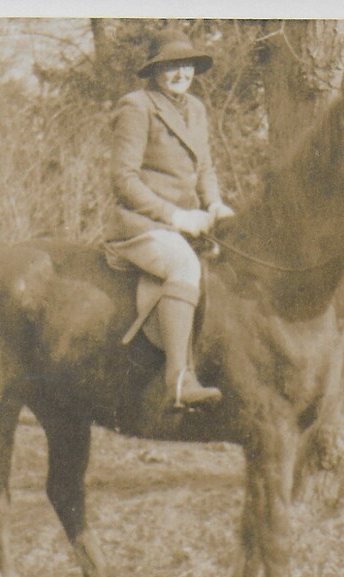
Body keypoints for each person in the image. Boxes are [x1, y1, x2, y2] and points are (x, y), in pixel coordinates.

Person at [106, 28, 235, 410]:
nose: (181, 73)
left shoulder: (197, 109)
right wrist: (176, 216)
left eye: (187, 65)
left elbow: (205, 167)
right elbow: (123, 179)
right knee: (183, 265)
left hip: (191, 221)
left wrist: (215, 204)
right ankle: (178, 381)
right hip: (141, 224)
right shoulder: (137, 106)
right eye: (171, 66)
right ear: (154, 70)